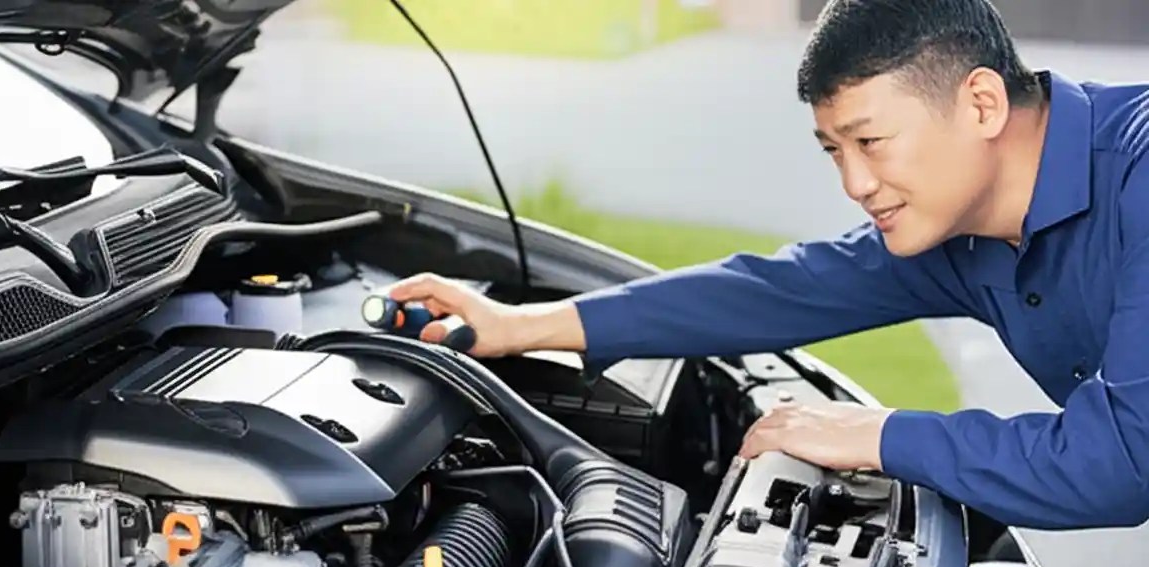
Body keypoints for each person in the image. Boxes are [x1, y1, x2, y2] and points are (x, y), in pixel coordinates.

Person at [384, 0, 1149, 532]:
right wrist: (524, 325)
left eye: (871, 142)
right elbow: (782, 289)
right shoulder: (959, 228)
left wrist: (877, 434)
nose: (854, 184)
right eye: (833, 151)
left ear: (981, 104)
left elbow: (1120, 462)